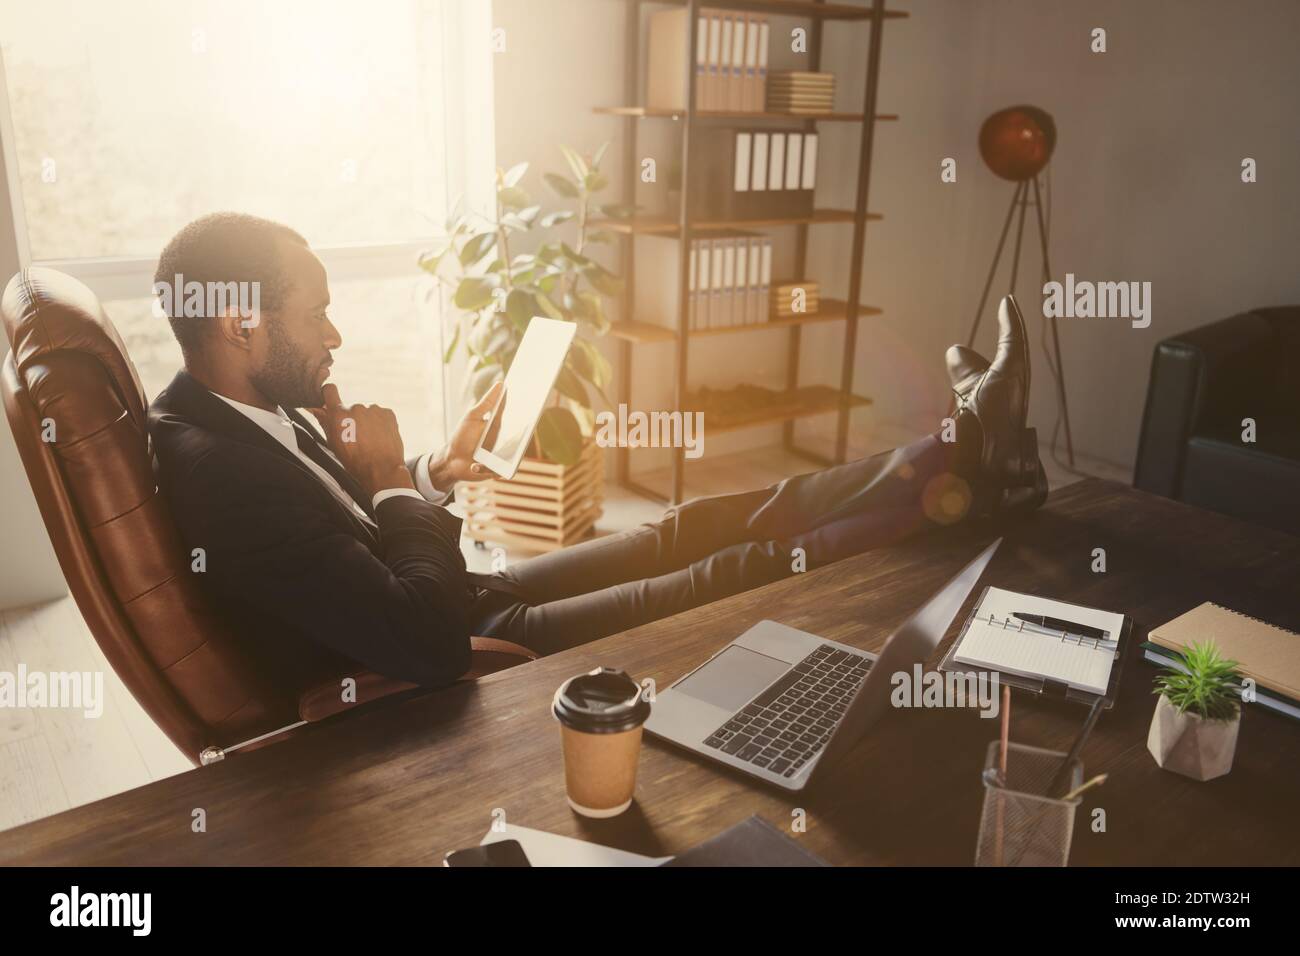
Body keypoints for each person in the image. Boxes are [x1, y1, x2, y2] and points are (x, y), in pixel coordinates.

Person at [148, 212, 1047, 689]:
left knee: (689, 522)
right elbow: (419, 645)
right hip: (461, 639)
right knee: (741, 565)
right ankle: (980, 480)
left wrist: (428, 472)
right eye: (317, 313)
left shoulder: (235, 408)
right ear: (242, 322)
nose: (334, 334)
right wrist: (392, 487)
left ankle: (962, 445)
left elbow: (329, 521)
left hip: (466, 595)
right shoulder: (218, 473)